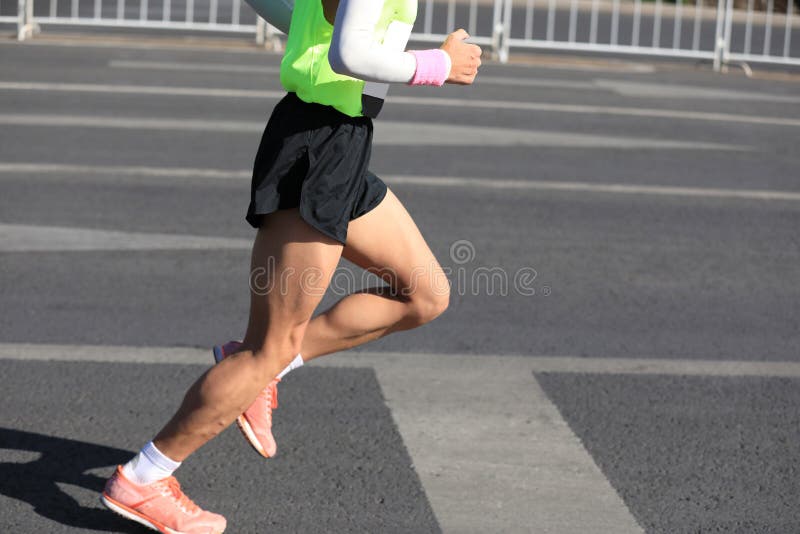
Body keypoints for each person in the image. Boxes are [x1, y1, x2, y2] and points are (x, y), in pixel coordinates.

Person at [100, 0, 481, 531]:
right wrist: (439, 65)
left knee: (425, 295)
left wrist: (308, 23)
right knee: (266, 347)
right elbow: (350, 54)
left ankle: (265, 372)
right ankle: (143, 478)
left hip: (341, 143)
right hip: (318, 148)